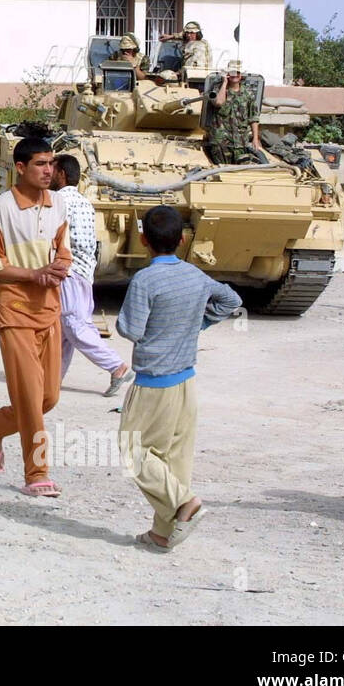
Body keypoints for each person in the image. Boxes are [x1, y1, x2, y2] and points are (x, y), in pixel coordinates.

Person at [117, 204, 240, 550]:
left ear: (143, 240)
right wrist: (198, 323)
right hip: (186, 380)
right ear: (183, 239)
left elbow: (131, 329)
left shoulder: (145, 279)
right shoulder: (195, 275)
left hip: (154, 383)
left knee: (134, 454)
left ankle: (186, 503)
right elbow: (231, 299)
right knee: (175, 459)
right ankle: (163, 532)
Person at [0, 137, 72, 497]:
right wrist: (33, 275)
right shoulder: (0, 208)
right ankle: (37, 472)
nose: (49, 170)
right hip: (14, 312)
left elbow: (64, 252)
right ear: (19, 168)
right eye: (41, 164)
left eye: (51, 163)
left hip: (49, 311)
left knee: (48, 398)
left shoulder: (58, 204)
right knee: (31, 398)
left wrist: (56, 269)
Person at [50, 154, 133, 397]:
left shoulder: (58, 200)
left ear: (62, 174)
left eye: (52, 170)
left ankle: (117, 367)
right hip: (84, 272)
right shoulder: (84, 201)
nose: (47, 174)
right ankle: (52, 380)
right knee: (64, 329)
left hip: (68, 270)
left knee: (74, 325)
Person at [205, 60, 261, 165]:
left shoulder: (248, 94)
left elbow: (253, 118)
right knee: (222, 171)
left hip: (240, 142)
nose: (234, 75)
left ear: (241, 76)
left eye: (237, 73)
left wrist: (255, 138)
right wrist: (224, 83)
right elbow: (219, 102)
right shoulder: (217, 88)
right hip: (221, 142)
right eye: (231, 73)